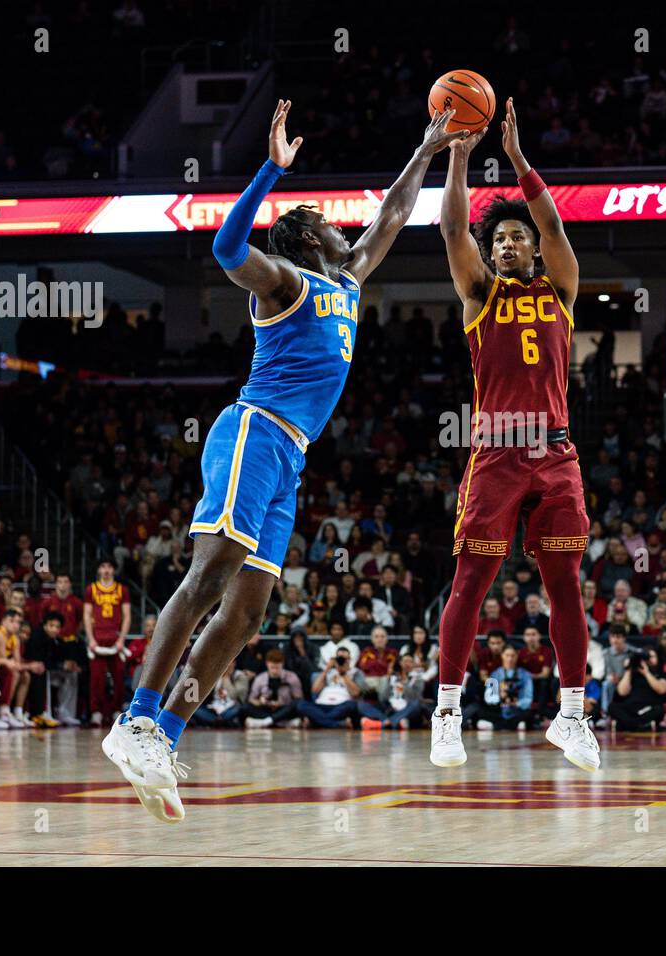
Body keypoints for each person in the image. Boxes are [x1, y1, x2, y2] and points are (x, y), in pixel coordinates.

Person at [104, 101, 465, 823]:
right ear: (307, 238)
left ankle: (166, 738)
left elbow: (392, 217)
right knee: (210, 574)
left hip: (290, 456)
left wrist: (429, 150)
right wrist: (272, 169)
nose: (345, 228)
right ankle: (136, 720)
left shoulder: (350, 280)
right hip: (253, 434)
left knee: (245, 614)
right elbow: (226, 250)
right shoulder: (286, 281)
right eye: (330, 222)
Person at [430, 97, 598, 774]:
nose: (505, 244)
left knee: (564, 581)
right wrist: (462, 158)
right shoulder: (478, 294)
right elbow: (449, 232)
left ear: (532, 248)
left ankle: (574, 716)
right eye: (496, 238)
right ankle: (446, 713)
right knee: (472, 578)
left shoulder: (560, 288)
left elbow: (554, 223)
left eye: (514, 237)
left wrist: (522, 162)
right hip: (497, 448)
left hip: (555, 450)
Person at [83, 558, 130, 726]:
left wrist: (121, 639)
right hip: (98, 637)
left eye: (110, 566)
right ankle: (96, 712)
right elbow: (87, 615)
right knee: (97, 678)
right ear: (98, 570)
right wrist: (91, 639)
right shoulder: (91, 589)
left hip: (115, 638)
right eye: (103, 566)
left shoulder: (121, 590)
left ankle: (117, 710)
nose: (106, 570)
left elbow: (127, 616)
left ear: (114, 570)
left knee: (118, 676)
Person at [476, 646, 535, 730]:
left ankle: (497, 725)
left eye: (512, 656)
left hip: (517, 710)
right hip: (500, 710)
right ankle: (513, 725)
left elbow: (528, 698)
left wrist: (516, 703)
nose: (510, 659)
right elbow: (489, 697)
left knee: (530, 714)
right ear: (502, 655)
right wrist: (500, 695)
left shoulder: (525, 674)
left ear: (517, 656)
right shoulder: (495, 674)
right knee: (480, 711)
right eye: (507, 655)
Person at [241, 649, 302, 728]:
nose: (274, 671)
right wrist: (260, 701)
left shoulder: (292, 677)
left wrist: (283, 702)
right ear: (267, 664)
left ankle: (265, 722)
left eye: (277, 667)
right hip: (266, 709)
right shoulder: (260, 678)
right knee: (245, 707)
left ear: (282, 664)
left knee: (298, 705)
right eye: (272, 667)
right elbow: (251, 699)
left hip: (284, 708)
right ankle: (282, 723)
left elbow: (298, 699)